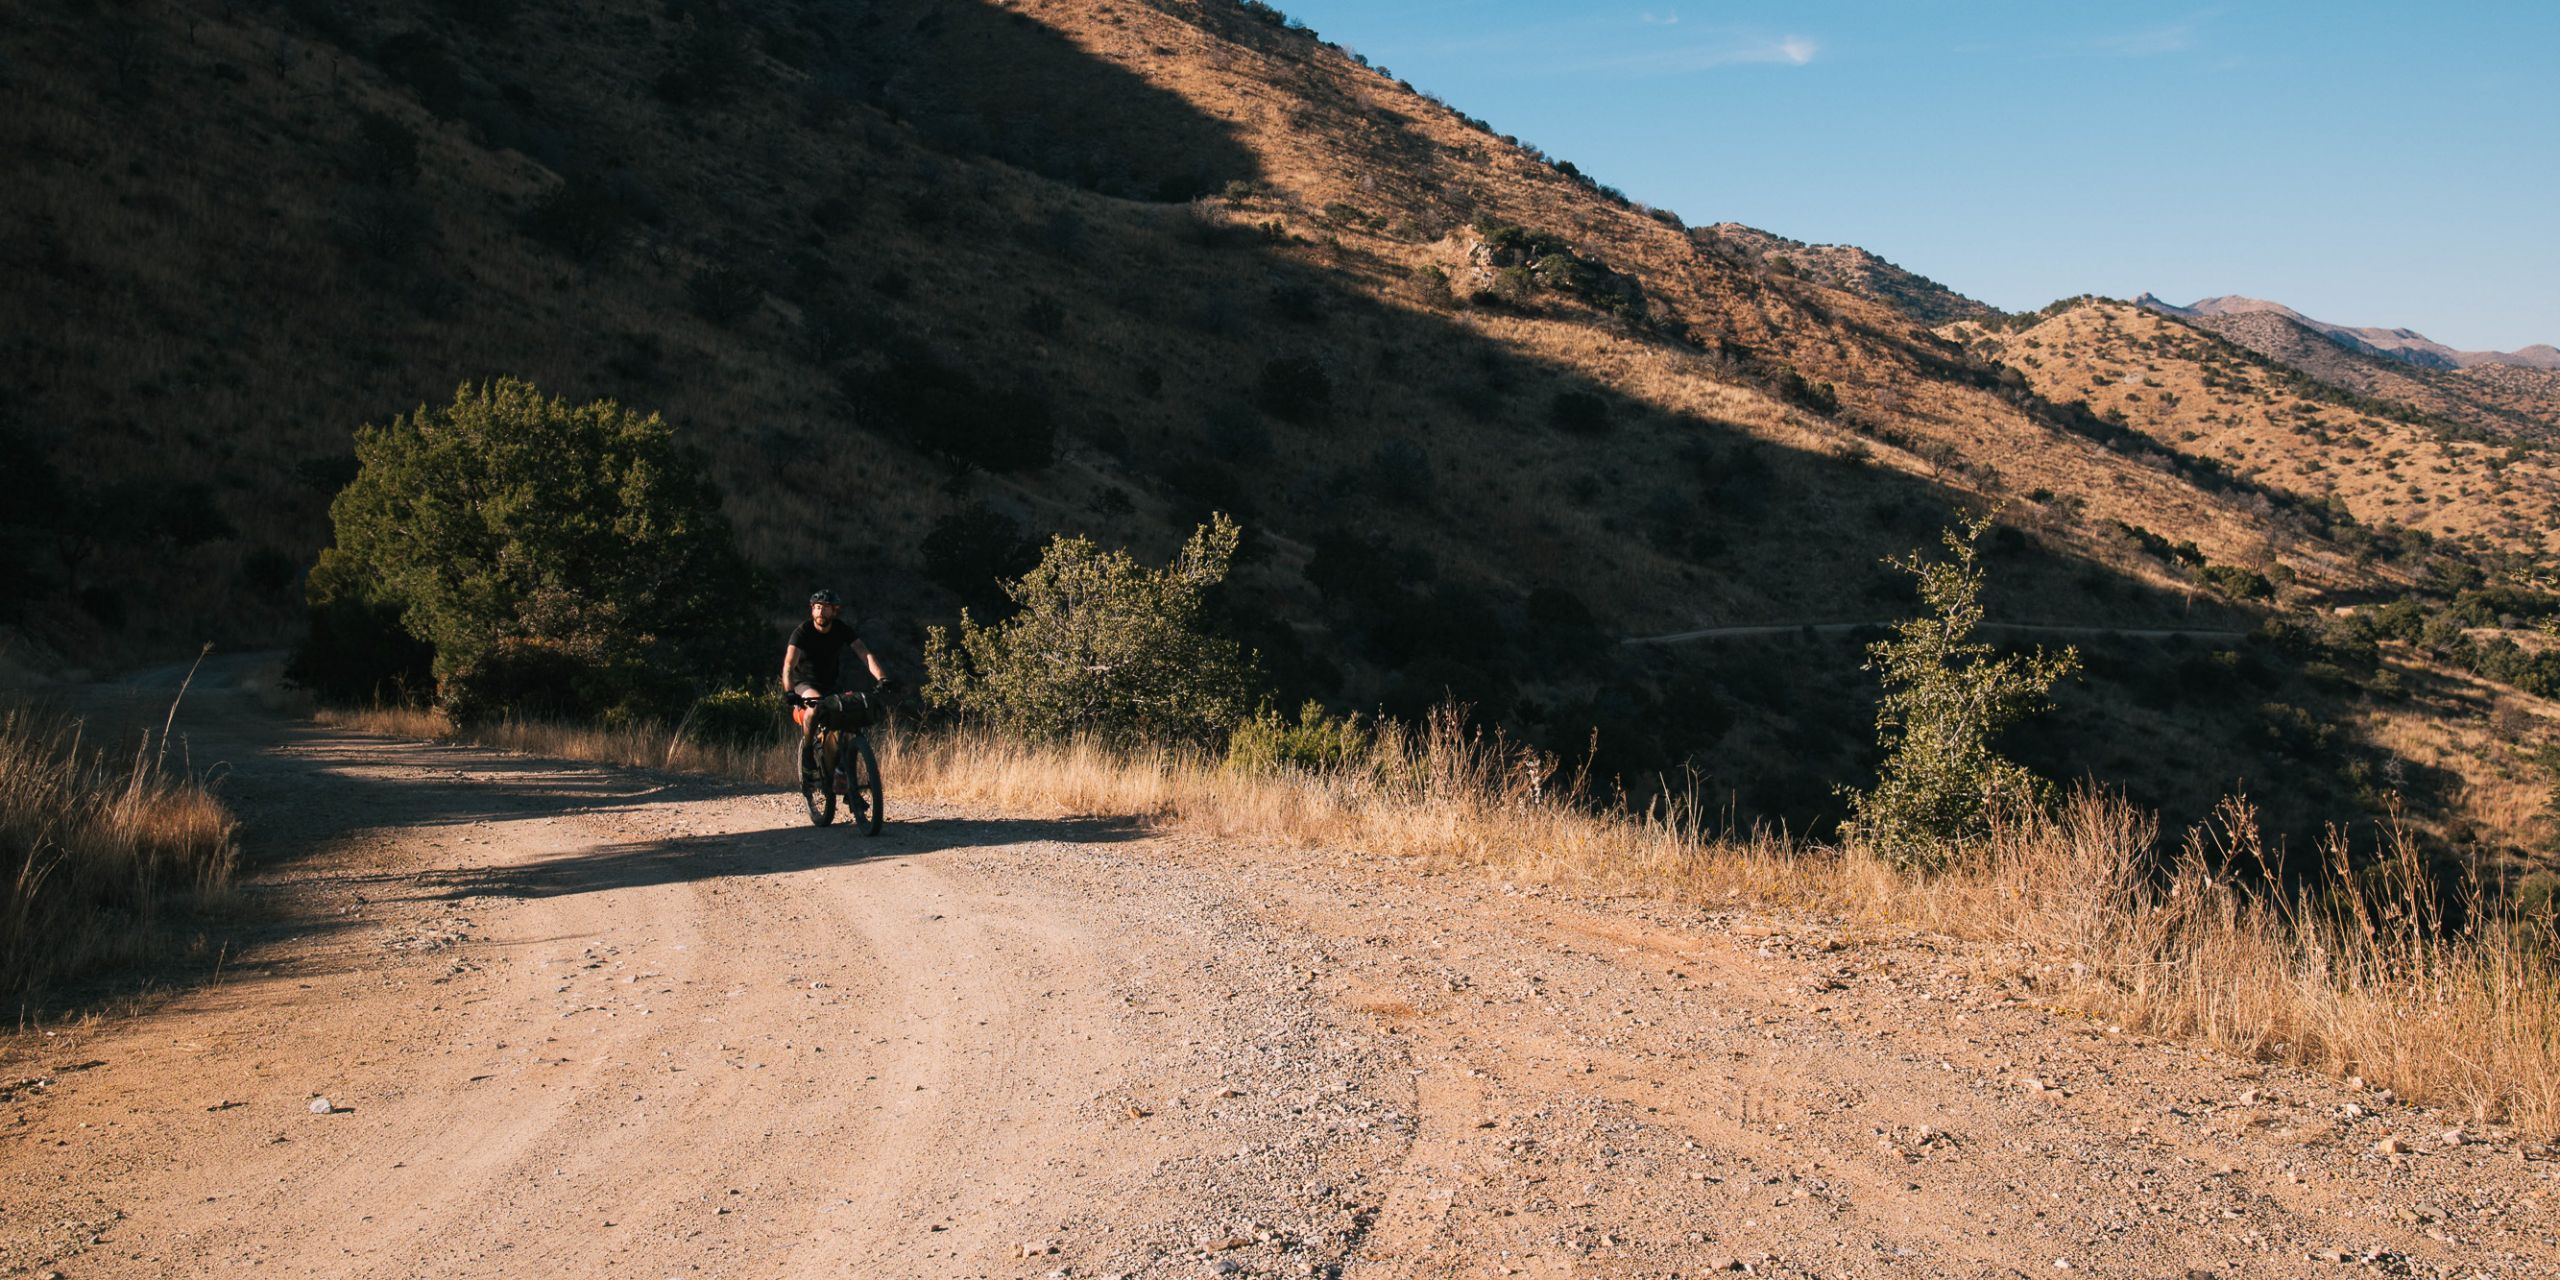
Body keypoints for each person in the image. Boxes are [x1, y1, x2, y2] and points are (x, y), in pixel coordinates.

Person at [782, 589, 888, 708]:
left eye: (826, 608)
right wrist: (790, 691)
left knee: (850, 713)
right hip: (805, 684)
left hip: (831, 685)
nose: (821, 612)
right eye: (817, 607)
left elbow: (865, 654)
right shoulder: (802, 632)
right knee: (816, 707)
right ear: (812, 610)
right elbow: (789, 665)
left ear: (834, 611)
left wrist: (882, 678)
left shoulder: (841, 629)